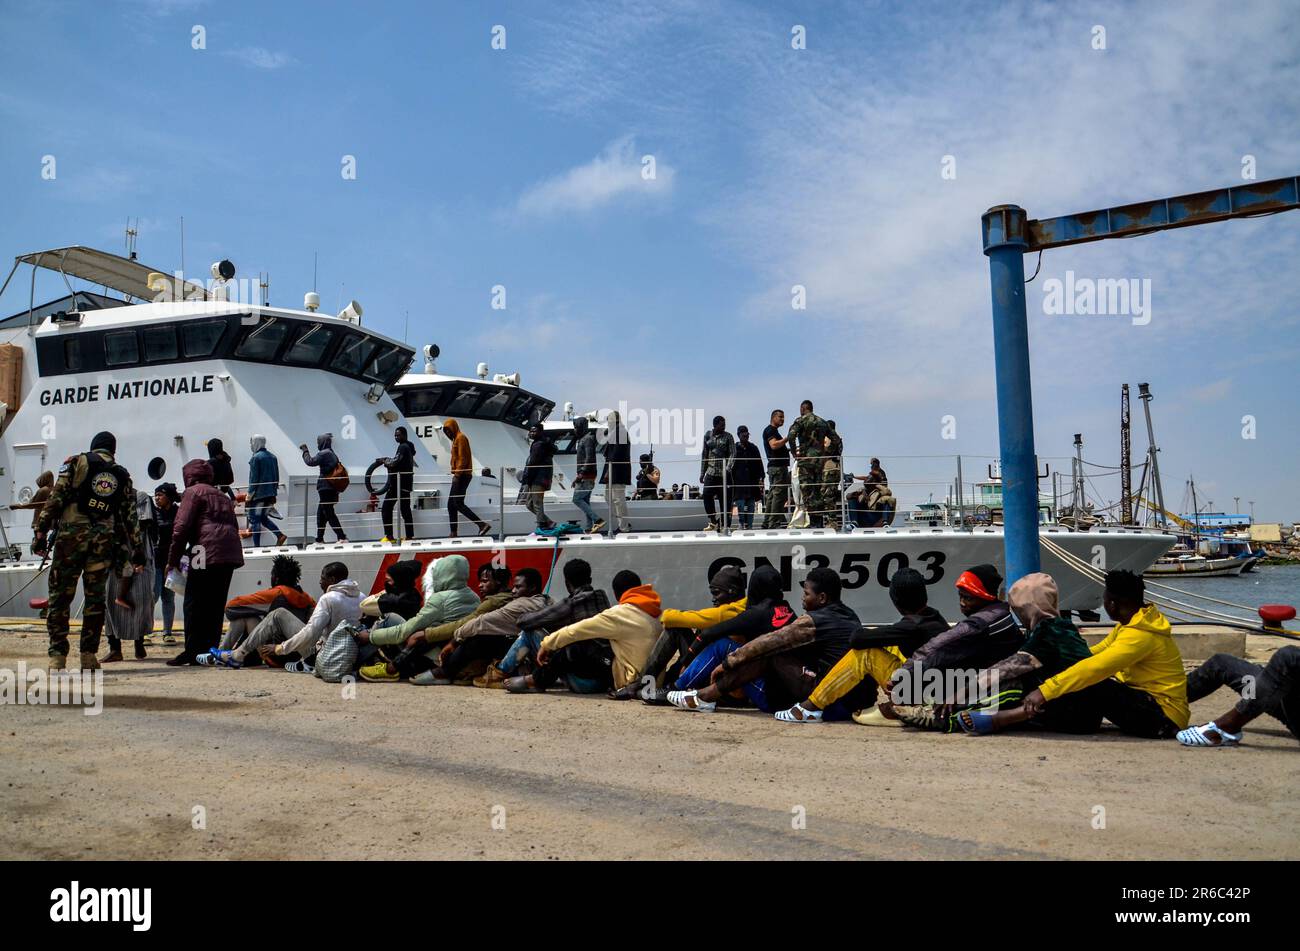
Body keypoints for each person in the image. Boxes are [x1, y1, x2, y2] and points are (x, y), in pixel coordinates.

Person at [1006, 570, 1188, 738]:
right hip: (1149, 705)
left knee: (1095, 682)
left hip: (1163, 719)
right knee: (1078, 676)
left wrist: (1043, 692)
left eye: (1105, 599)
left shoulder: (1140, 636)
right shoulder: (1132, 625)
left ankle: (1006, 718)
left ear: (1112, 604)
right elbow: (1091, 655)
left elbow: (1094, 667)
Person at [667, 567, 858, 714]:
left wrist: (727, 663)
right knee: (766, 650)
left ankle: (688, 691)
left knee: (752, 650)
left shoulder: (811, 621)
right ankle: (704, 694)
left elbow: (768, 642)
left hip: (807, 698)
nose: (803, 599)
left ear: (822, 598)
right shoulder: (850, 616)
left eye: (807, 594)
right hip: (841, 696)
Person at [775, 567, 949, 723]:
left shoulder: (911, 626)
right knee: (890, 646)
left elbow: (856, 639)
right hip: (934, 687)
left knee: (865, 654)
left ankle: (811, 706)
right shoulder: (934, 618)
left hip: (922, 696)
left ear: (894, 599)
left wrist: (869, 632)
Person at [32, 431, 141, 671]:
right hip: (103, 542)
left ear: (93, 447)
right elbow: (130, 517)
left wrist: (40, 532)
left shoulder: (76, 462)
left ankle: (58, 656)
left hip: (71, 538)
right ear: (113, 450)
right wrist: (137, 548)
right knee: (95, 600)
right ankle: (88, 656)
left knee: (60, 597)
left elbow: (56, 498)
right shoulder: (122, 475)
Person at [945, 573, 1100, 735]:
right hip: (1089, 713)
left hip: (1074, 713)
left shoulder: (1049, 631)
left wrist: (959, 694)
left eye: (1019, 609)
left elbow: (1007, 668)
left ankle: (955, 717)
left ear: (1028, 607)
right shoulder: (1063, 626)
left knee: (1007, 685)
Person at [885, 564, 1021, 724]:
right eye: (961, 596)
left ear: (984, 597)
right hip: (991, 679)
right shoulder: (1001, 614)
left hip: (987, 686)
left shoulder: (979, 624)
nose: (962, 602)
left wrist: (903, 673)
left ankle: (916, 712)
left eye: (968, 598)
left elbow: (937, 647)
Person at [652, 565, 795, 707]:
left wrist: (686, 660)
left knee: (722, 645)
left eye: (716, 593)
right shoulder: (788, 611)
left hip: (770, 697)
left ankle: (674, 688)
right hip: (790, 691)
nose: (713, 599)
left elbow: (708, 633)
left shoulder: (756, 614)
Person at [614, 565, 747, 698]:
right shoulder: (742, 607)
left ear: (732, 591)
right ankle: (657, 683)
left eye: (717, 593)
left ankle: (644, 682)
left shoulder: (729, 613)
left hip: (720, 678)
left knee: (677, 629)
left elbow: (668, 617)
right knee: (696, 635)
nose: (713, 599)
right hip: (723, 672)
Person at [166, 459, 245, 665]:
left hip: (203, 552)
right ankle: (209, 651)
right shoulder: (222, 496)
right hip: (229, 555)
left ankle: (192, 651)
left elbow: (180, 529)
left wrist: (172, 561)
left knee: (194, 602)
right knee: (215, 604)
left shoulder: (193, 493)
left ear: (189, 476)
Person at [207, 562, 360, 669]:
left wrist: (279, 648)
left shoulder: (279, 592)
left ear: (277, 577)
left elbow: (232, 607)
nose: (320, 582)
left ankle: (227, 655)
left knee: (252, 616)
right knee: (269, 616)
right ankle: (227, 655)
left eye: (322, 578)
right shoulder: (360, 597)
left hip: (284, 652)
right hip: (335, 654)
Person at [492, 559, 613, 692]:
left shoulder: (570, 604)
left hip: (582, 683)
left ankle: (499, 673)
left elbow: (523, 622)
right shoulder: (602, 597)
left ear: (567, 583)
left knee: (531, 632)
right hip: (603, 680)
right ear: (590, 580)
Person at [536, 569, 664, 695]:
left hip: (630, 681)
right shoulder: (656, 612)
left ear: (616, 594)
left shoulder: (620, 614)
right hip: (656, 682)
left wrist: (546, 644)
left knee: (580, 645)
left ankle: (535, 680)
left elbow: (576, 631)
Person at [357, 555, 480, 682]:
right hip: (455, 649)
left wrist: (370, 636)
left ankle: (359, 664)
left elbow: (404, 630)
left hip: (435, 652)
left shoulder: (440, 599)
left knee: (390, 619)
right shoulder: (473, 596)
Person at [426, 567, 550, 684]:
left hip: (534, 658)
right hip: (537, 657)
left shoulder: (519, 604)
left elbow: (480, 622)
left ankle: (497, 672)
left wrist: (453, 641)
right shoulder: (547, 601)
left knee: (478, 639)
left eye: (518, 587)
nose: (513, 591)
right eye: (513, 587)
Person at [1179, 646, 1300, 747]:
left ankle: (1227, 727)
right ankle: (1164, 707)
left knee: (1290, 657)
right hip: (1285, 694)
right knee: (1221, 663)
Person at [216, 554, 315, 652]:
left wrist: (255, 610)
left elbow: (231, 607)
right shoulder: (307, 598)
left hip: (273, 653)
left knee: (245, 616)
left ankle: (222, 652)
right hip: (298, 652)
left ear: (275, 578)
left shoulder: (276, 594)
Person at [102, 490, 156, 663]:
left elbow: (145, 525)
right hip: (114, 557)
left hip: (138, 554)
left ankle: (139, 644)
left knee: (140, 601)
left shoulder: (140, 498)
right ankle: (115, 648)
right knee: (111, 600)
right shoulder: (108, 500)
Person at [442, 419, 491, 537]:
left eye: (449, 430)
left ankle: (481, 525)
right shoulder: (456, 439)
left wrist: (457, 475)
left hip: (462, 475)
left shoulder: (460, 438)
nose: (448, 433)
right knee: (451, 504)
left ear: (454, 428)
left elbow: (463, 458)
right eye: (446, 431)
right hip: (461, 474)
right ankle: (453, 532)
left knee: (457, 503)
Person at [786, 400, 829, 527]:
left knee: (807, 491)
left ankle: (810, 521)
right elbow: (836, 439)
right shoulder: (822, 422)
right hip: (819, 462)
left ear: (802, 409)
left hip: (805, 462)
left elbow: (791, 436)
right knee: (818, 490)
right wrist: (827, 454)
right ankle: (819, 521)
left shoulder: (800, 421)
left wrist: (794, 453)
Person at [301, 433, 347, 543]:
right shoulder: (331, 453)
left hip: (326, 488)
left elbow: (310, 462)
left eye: (318, 442)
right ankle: (319, 538)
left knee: (328, 513)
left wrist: (305, 451)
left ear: (323, 442)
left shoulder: (324, 453)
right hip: (329, 488)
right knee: (321, 514)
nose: (317, 444)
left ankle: (342, 537)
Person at [152, 483, 181, 645]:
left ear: (168, 497)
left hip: (171, 560)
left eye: (160, 495)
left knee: (168, 597)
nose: (157, 498)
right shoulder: (154, 513)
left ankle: (167, 632)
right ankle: (147, 631)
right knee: (153, 595)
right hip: (156, 560)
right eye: (155, 495)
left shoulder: (178, 512)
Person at [379, 425, 417, 543]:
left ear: (404, 435)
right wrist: (388, 460)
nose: (396, 437)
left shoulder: (403, 447)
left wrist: (384, 461)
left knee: (386, 508)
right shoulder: (408, 447)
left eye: (398, 435)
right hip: (406, 484)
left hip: (398, 485)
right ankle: (410, 536)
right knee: (405, 509)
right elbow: (398, 461)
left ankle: (389, 536)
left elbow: (395, 462)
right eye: (395, 435)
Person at [246, 434, 286, 547]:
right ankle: (280, 535)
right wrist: (274, 492)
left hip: (258, 496)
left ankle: (256, 547)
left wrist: (249, 496)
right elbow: (276, 476)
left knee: (255, 520)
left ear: (255, 443)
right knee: (263, 518)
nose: (251, 445)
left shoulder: (256, 458)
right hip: (270, 494)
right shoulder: (273, 457)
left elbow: (254, 479)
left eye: (251, 443)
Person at [700, 415, 735, 531]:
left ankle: (724, 524)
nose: (724, 427)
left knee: (725, 501)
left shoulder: (728, 437)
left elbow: (732, 454)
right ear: (715, 425)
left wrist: (728, 467)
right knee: (706, 496)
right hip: (711, 472)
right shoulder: (707, 436)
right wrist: (702, 472)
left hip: (724, 474)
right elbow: (704, 454)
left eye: (724, 424)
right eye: (721, 425)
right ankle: (713, 521)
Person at [599, 410, 632, 533]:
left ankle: (624, 526)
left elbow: (616, 454)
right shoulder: (616, 432)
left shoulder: (620, 432)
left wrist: (609, 470)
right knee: (608, 497)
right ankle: (623, 522)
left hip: (617, 470)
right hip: (614, 469)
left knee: (618, 499)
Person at [521, 423, 557, 531]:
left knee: (537, 503)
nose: (531, 433)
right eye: (531, 431)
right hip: (540, 477)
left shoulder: (538, 445)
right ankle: (548, 522)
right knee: (529, 504)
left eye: (534, 431)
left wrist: (527, 478)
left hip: (538, 478)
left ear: (540, 432)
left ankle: (541, 525)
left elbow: (533, 463)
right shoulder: (542, 443)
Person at [570, 417, 601, 533]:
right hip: (586, 475)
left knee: (576, 499)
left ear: (581, 427)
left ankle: (597, 520)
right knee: (585, 501)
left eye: (576, 427)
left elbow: (589, 458)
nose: (575, 430)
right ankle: (589, 527)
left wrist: (581, 473)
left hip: (586, 476)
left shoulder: (587, 439)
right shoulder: (585, 439)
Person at [761, 410, 791, 528]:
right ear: (773, 417)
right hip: (777, 467)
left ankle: (767, 522)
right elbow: (773, 445)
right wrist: (787, 438)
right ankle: (773, 523)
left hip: (777, 466)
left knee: (773, 496)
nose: (782, 419)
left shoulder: (773, 431)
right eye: (780, 417)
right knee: (778, 496)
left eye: (783, 417)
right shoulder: (770, 430)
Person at [731, 426, 764, 529]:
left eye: (747, 435)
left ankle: (749, 525)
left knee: (751, 505)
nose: (746, 437)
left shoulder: (753, 448)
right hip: (739, 481)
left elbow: (759, 463)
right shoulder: (734, 449)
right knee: (740, 504)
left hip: (752, 481)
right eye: (743, 435)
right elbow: (730, 465)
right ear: (739, 435)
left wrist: (762, 477)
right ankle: (741, 523)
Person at [822, 420, 844, 530]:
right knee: (831, 495)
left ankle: (832, 522)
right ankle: (831, 521)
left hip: (829, 467)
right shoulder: (838, 438)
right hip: (836, 467)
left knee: (828, 496)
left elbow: (826, 451)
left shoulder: (830, 437)